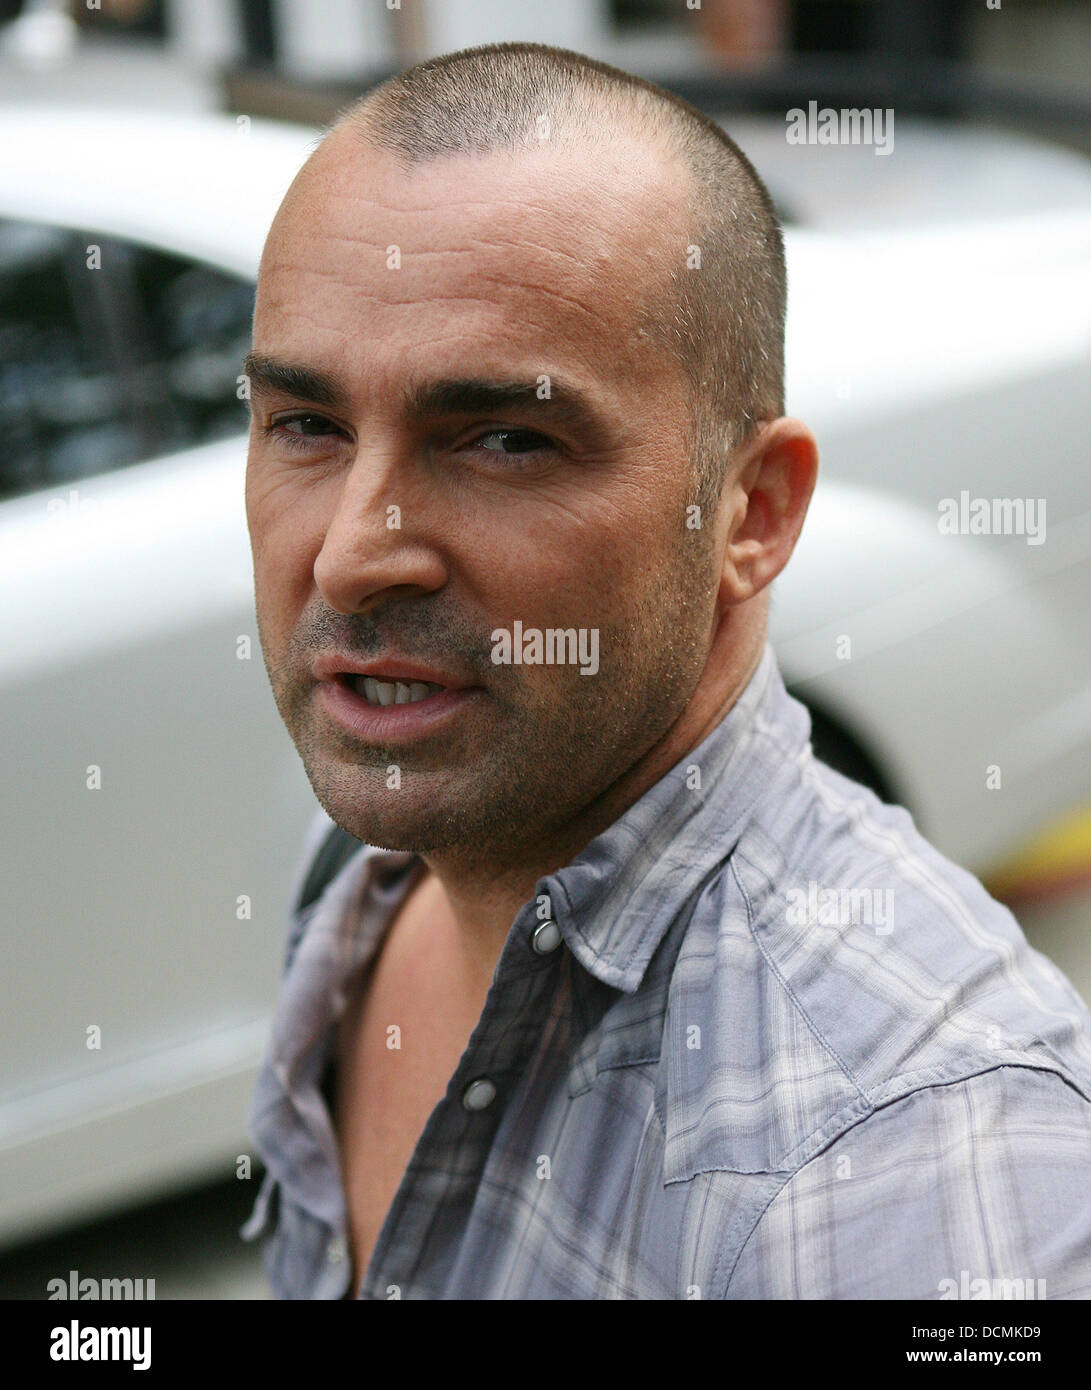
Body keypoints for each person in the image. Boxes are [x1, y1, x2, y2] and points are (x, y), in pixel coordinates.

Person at [239, 41, 1091, 1299]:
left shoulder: (907, 1162)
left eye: (505, 441)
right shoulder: (374, 873)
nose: (355, 554)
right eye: (306, 424)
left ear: (749, 511)